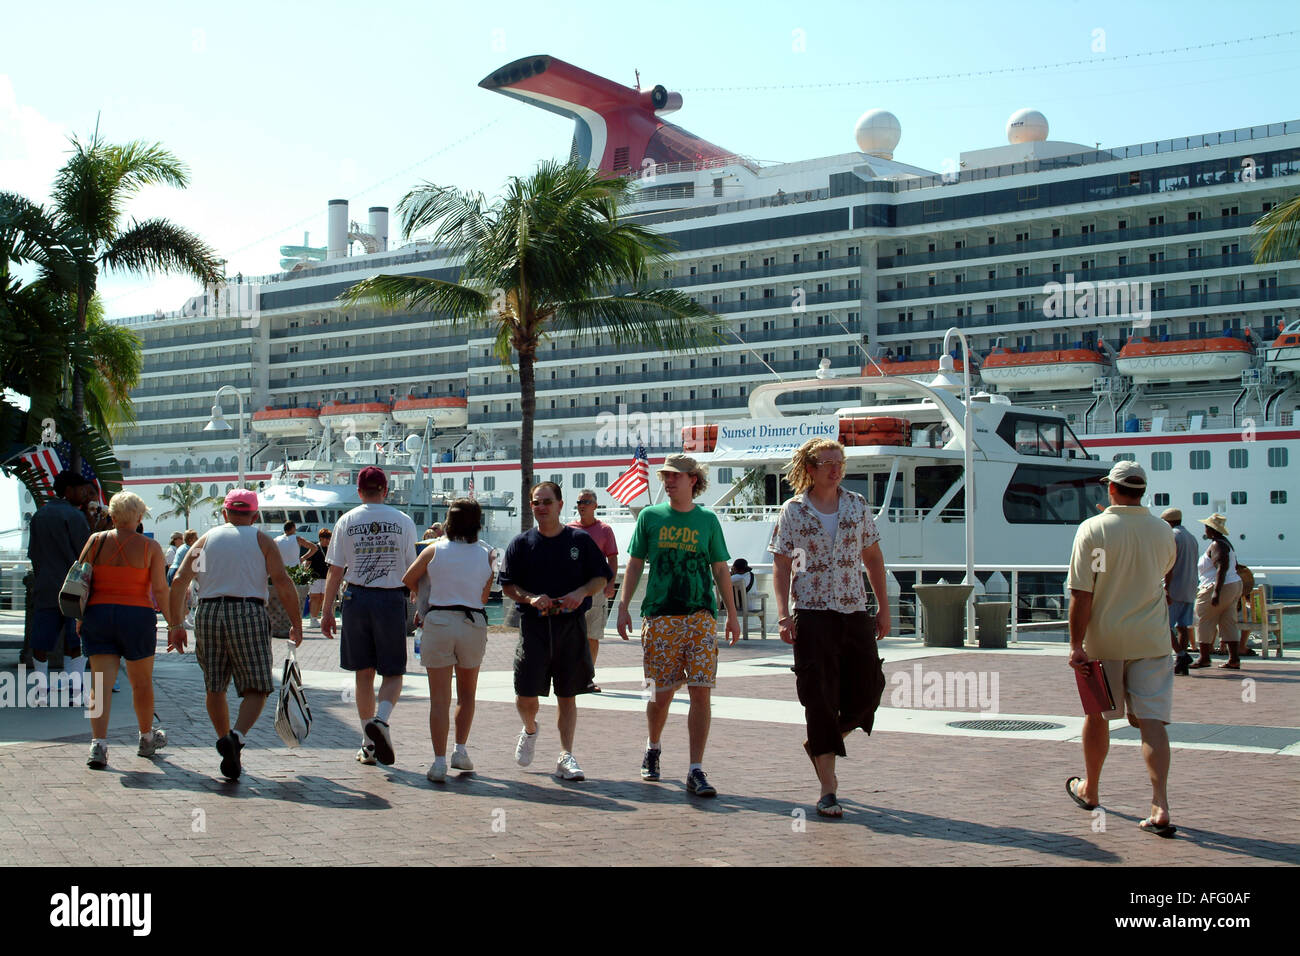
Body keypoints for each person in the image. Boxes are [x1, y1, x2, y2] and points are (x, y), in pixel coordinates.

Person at [768, 439, 891, 817]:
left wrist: (883, 608)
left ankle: (823, 741)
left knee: (869, 690)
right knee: (818, 698)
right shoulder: (793, 511)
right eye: (827, 463)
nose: (835, 469)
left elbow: (872, 557)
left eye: (840, 462)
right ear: (810, 467)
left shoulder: (857, 505)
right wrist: (783, 613)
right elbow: (782, 564)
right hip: (812, 612)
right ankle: (828, 788)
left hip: (854, 610)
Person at [1065, 461, 1177, 837]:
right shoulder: (1164, 531)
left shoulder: (1093, 530)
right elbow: (1162, 572)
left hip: (1103, 640)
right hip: (1152, 640)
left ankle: (1091, 789)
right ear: (1141, 491)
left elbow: (1083, 593)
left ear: (1110, 488)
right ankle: (1160, 805)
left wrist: (1075, 645)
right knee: (1152, 723)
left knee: (1097, 716)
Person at [617, 455, 740, 798]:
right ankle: (653, 745)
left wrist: (731, 613)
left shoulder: (708, 520)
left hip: (701, 616)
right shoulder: (649, 517)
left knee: (701, 690)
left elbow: (720, 568)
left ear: (693, 480)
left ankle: (695, 768)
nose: (668, 481)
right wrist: (623, 606)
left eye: (675, 476)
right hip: (660, 615)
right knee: (660, 691)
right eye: (666, 476)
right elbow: (636, 562)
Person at [169, 489, 302, 780]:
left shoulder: (207, 540)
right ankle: (236, 737)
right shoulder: (261, 540)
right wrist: (296, 622)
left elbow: (180, 580)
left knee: (215, 686)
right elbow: (281, 581)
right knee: (257, 686)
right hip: (248, 611)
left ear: (225, 513)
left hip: (208, 612)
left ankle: (224, 740)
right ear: (254, 515)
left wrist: (176, 625)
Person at [499, 482, 612, 782]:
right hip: (534, 628)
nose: (541, 507)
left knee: (567, 694)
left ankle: (566, 756)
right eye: (536, 502)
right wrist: (530, 598)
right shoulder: (521, 544)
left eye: (547, 502)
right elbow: (508, 585)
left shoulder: (580, 540)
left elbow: (600, 578)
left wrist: (580, 592)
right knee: (525, 696)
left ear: (561, 505)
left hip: (570, 627)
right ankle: (530, 729)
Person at [321, 466, 418, 767]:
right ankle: (382, 721)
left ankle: (368, 742)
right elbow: (412, 569)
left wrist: (326, 612)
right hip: (390, 598)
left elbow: (335, 570)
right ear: (385, 490)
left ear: (359, 491)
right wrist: (420, 603)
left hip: (356, 598)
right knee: (393, 672)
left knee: (363, 673)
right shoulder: (403, 521)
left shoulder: (346, 521)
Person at [78, 493, 181, 768]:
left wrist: (79, 617)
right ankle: (147, 739)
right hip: (137, 617)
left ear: (112, 516)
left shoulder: (95, 541)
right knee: (142, 683)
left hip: (98, 615)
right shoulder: (150, 547)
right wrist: (173, 624)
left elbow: (80, 581)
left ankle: (98, 746)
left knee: (100, 685)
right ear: (139, 517)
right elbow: (160, 589)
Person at [401, 498, 494, 783]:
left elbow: (408, 578)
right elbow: (483, 596)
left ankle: (438, 761)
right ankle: (460, 750)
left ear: (448, 521)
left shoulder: (433, 549)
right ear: (477, 522)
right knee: (467, 694)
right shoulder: (488, 553)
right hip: (472, 621)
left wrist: (425, 592)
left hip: (439, 621)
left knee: (439, 699)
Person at [26, 471, 92, 706]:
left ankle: (41, 691)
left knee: (41, 641)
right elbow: (86, 554)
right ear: (68, 491)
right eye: (81, 489)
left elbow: (33, 553)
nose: (85, 493)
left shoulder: (39, 515)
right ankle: (75, 692)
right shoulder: (75, 517)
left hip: (45, 585)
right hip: (73, 588)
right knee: (75, 641)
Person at [567, 489, 618, 693]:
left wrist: (610, 583)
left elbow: (612, 558)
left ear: (595, 505)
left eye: (587, 501)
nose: (582, 505)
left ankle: (588, 677)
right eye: (579, 501)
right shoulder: (568, 529)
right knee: (570, 634)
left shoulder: (605, 530)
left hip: (596, 588)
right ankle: (569, 675)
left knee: (592, 636)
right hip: (572, 589)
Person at [1190, 513, 1243, 670]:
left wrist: (1216, 592)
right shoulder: (1227, 544)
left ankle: (1204, 658)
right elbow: (1233, 566)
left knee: (1203, 619)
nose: (1205, 530)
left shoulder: (1216, 545)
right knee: (1228, 621)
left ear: (1211, 529)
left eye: (1206, 527)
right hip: (1234, 585)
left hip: (1217, 586)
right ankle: (1234, 659)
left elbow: (1221, 568)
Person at [1160, 508, 1198, 676]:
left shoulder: (1172, 537)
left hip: (1175, 587)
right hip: (1189, 586)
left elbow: (1170, 565)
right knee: (1183, 626)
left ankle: (1181, 655)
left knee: (1163, 625)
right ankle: (1181, 662)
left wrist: (1166, 588)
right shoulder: (1192, 538)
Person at [269, 521, 318, 632]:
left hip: (280, 571)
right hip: (295, 572)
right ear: (293, 528)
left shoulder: (276, 540)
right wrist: (303, 558)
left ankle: (280, 624)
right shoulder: (297, 538)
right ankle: (294, 624)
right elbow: (314, 547)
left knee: (280, 598)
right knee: (294, 599)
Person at [306, 528, 331, 627]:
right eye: (324, 538)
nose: (326, 540)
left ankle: (318, 617)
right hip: (314, 576)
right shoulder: (315, 547)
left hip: (326, 576)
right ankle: (313, 619)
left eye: (328, 538)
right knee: (314, 597)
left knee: (322, 598)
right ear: (320, 538)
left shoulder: (330, 549)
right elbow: (308, 562)